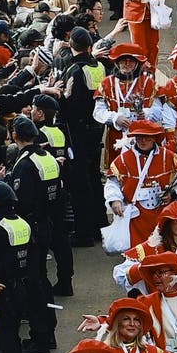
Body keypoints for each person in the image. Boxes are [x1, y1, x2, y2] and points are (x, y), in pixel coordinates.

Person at [10, 114, 60, 353]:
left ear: (15, 136)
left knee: (34, 284)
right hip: (46, 223)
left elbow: (21, 201)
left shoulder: (25, 164)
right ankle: (48, 332)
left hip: (31, 228)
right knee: (42, 280)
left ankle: (40, 336)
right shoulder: (47, 157)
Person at [59, 26, 106, 249]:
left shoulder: (74, 71)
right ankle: (100, 226)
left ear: (71, 45)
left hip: (78, 131)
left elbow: (70, 103)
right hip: (97, 127)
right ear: (89, 46)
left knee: (80, 182)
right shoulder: (99, 67)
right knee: (95, 178)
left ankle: (84, 233)